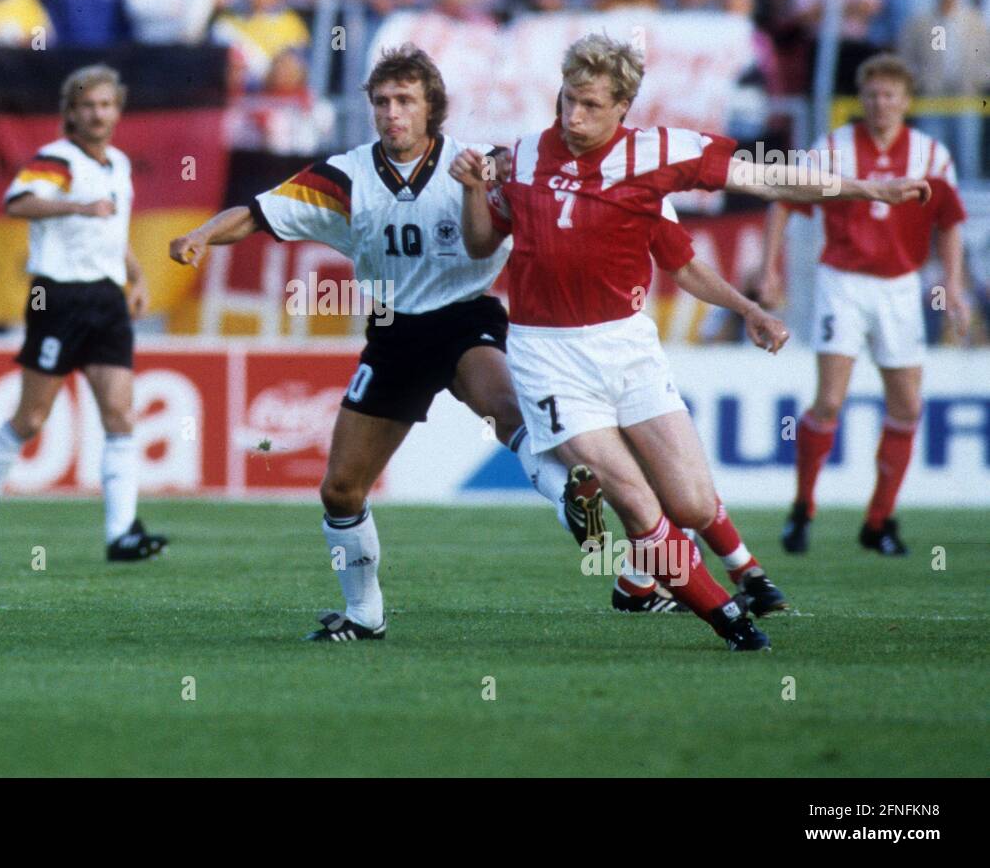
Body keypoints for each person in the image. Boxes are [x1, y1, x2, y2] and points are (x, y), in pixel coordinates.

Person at [167, 45, 788, 638]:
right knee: (340, 489)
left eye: (405, 100)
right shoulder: (344, 177)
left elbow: (595, 197)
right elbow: (256, 211)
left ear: (432, 107)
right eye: (382, 101)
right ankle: (363, 615)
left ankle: (596, 522)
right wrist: (199, 234)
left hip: (468, 318)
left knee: (515, 414)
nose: (392, 113)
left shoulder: (487, 163)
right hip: (395, 333)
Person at [451, 33, 931, 650]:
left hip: (627, 348)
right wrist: (471, 191)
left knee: (693, 501)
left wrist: (869, 190)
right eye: (568, 100)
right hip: (548, 356)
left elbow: (768, 178)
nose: (574, 116)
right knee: (632, 498)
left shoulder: (658, 154)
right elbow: (480, 244)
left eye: (592, 106)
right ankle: (729, 621)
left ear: (624, 107)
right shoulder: (518, 159)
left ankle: (637, 584)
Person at [758, 54, 968, 557]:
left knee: (907, 404)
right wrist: (770, 269)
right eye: (872, 94)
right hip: (844, 283)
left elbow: (950, 221)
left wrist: (953, 286)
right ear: (862, 98)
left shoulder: (931, 155)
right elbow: (783, 197)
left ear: (907, 100)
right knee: (830, 400)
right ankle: (803, 508)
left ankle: (878, 522)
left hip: (900, 287)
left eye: (891, 94)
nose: (881, 103)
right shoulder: (832, 149)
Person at [0, 65, 166, 565]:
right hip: (57, 299)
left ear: (117, 110)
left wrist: (135, 276)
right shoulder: (58, 159)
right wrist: (74, 205)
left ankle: (122, 534)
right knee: (31, 419)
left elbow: (111, 232)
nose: (97, 114)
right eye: (87, 106)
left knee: (119, 412)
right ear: (71, 112)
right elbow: (18, 202)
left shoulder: (117, 163)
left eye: (106, 105)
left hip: (106, 300)